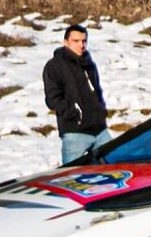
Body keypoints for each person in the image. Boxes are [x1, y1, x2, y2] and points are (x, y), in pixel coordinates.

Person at [43, 24, 112, 164]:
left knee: (116, 166)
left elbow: (96, 91)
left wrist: (100, 111)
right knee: (72, 177)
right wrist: (75, 113)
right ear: (65, 42)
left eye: (84, 41)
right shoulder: (55, 65)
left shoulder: (89, 64)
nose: (81, 45)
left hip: (99, 130)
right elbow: (52, 99)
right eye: (76, 41)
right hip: (75, 132)